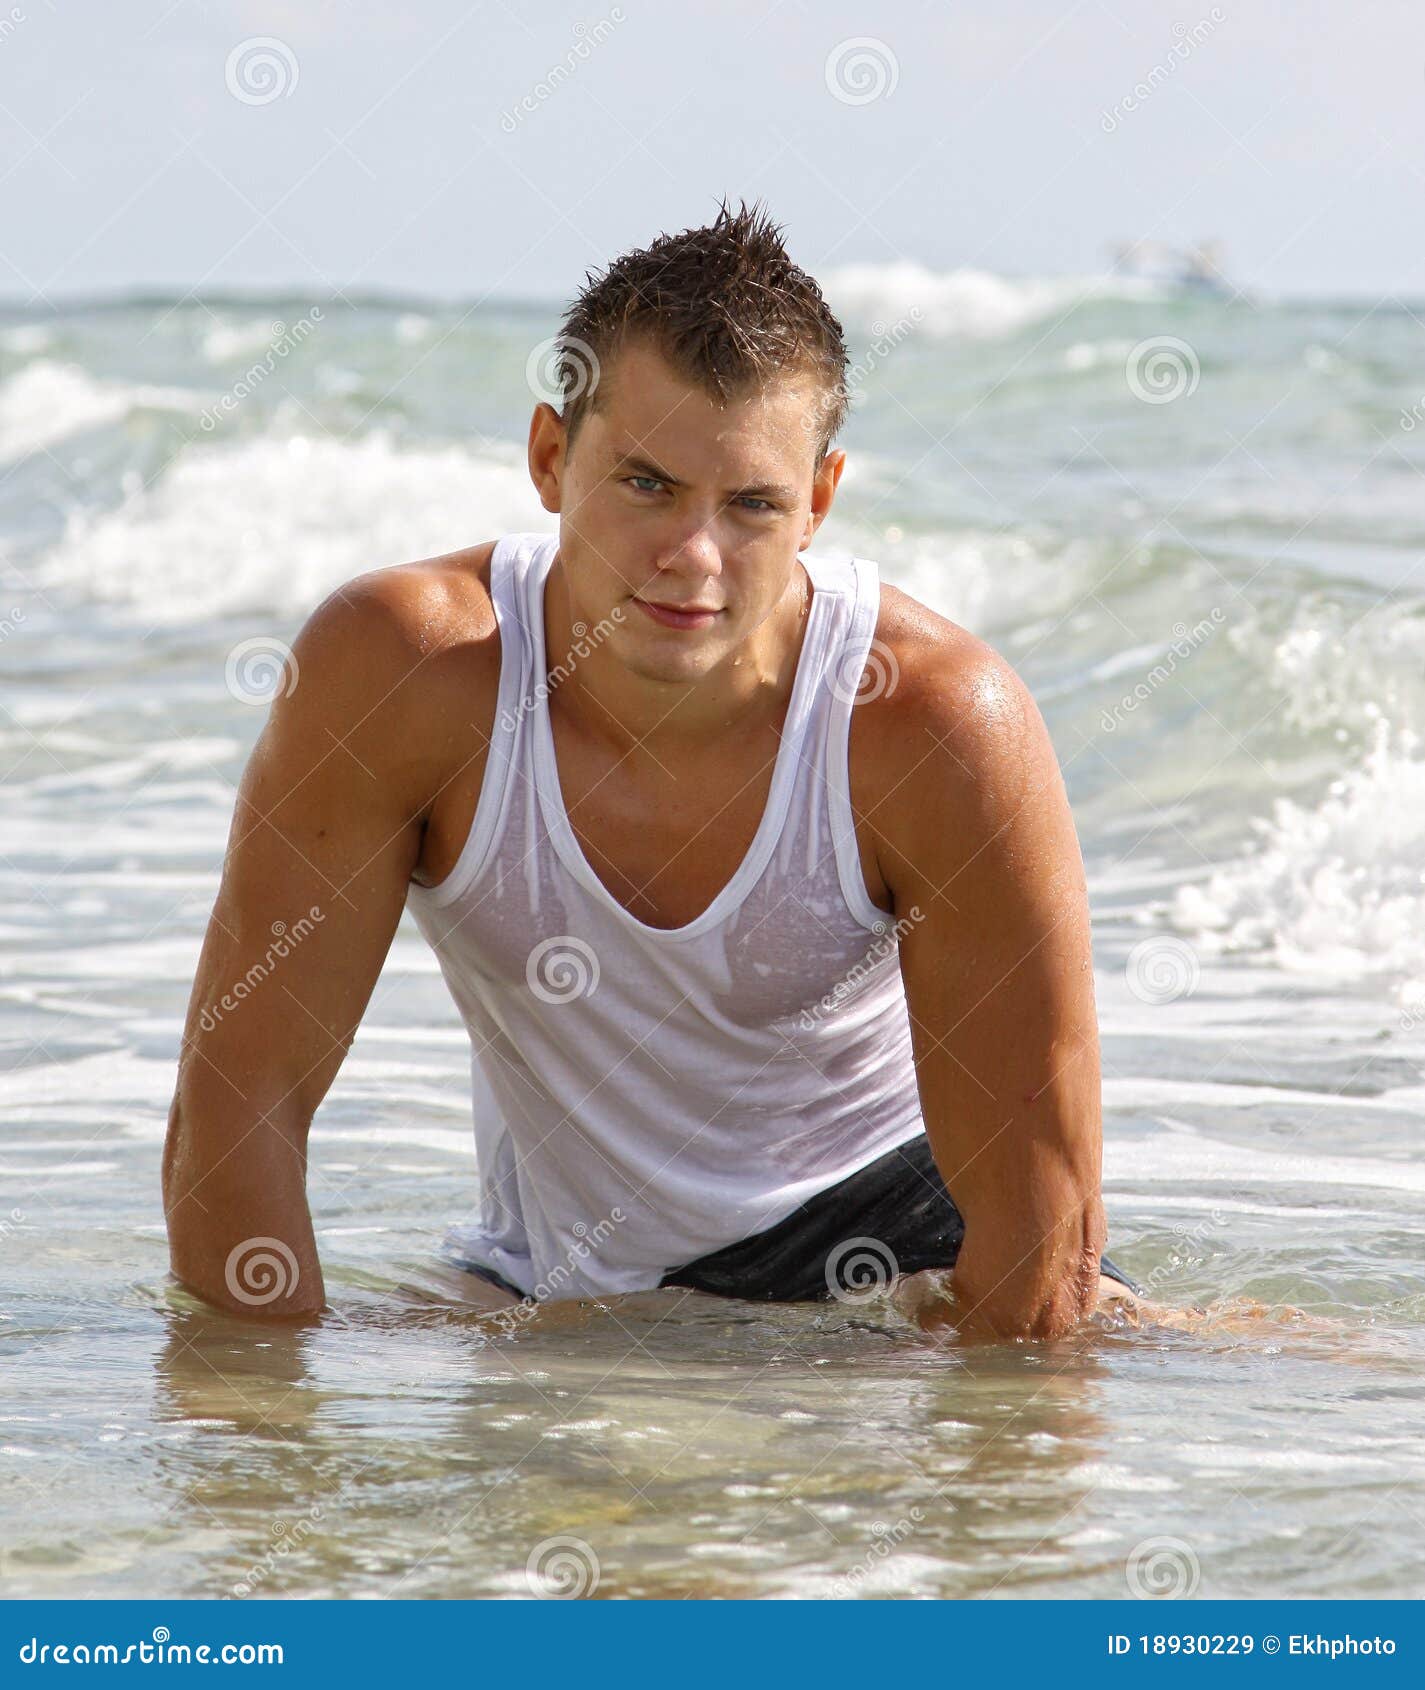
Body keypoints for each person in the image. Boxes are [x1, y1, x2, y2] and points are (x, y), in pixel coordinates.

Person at [162, 198, 1146, 1342]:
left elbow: (1042, 1234)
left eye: (752, 506)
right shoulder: (402, 672)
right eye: (646, 485)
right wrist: (265, 1430)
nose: (694, 558)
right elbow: (238, 1111)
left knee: (1179, 1354)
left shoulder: (932, 723)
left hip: (892, 1260)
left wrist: (993, 1442)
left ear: (819, 502)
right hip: (555, 1284)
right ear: (550, 457)